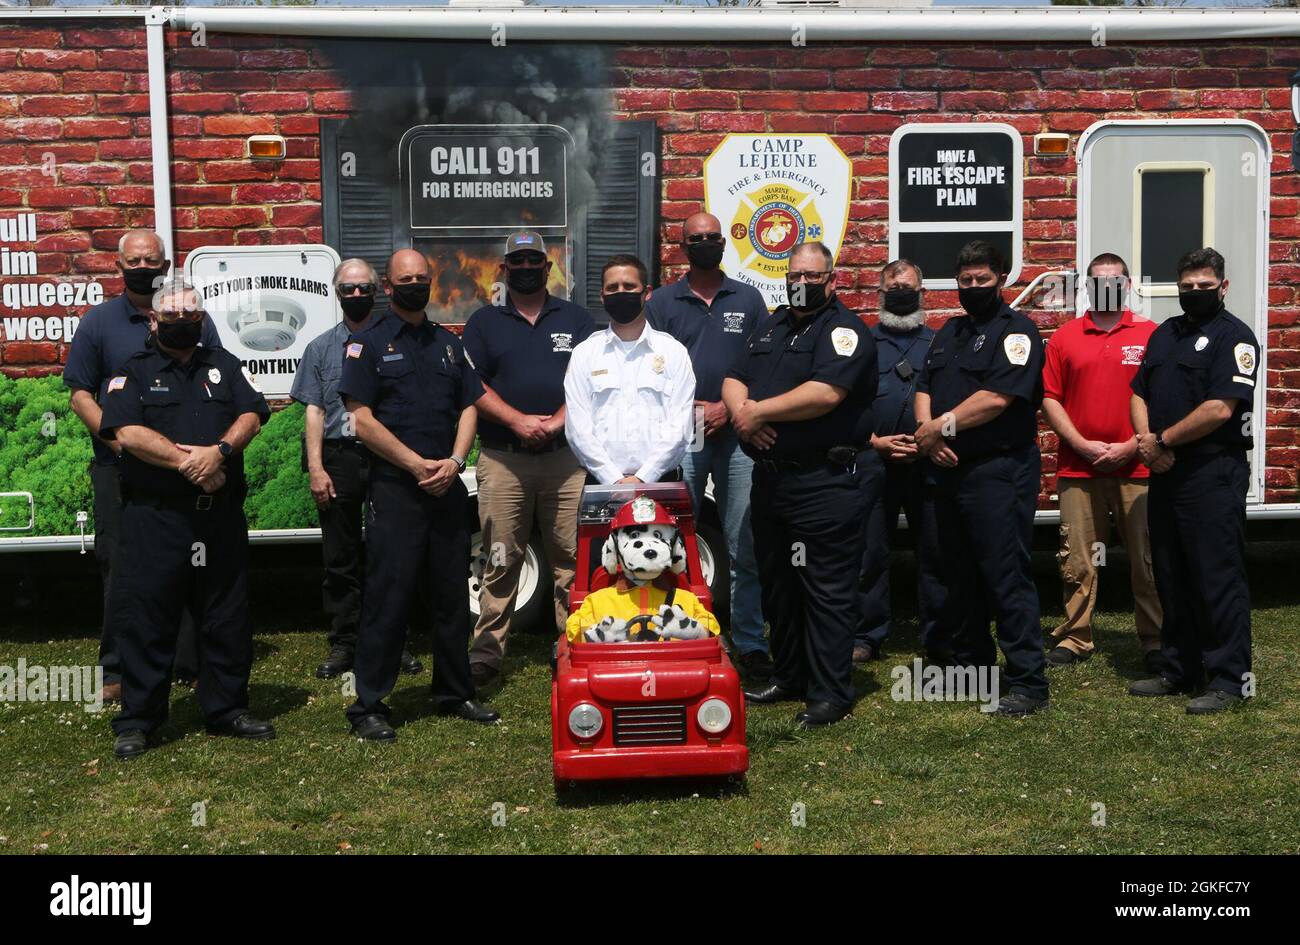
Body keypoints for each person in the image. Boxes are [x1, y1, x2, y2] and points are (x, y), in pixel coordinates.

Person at [97, 280, 272, 759]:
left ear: (202, 320)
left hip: (218, 518)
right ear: (154, 321)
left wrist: (220, 452)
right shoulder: (132, 372)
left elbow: (253, 414)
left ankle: (227, 708)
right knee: (149, 617)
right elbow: (127, 433)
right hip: (157, 519)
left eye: (191, 317)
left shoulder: (224, 365)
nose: (182, 324)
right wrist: (190, 464)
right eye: (172, 317)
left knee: (225, 615)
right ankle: (139, 719)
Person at [339, 248, 497, 741]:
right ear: (388, 287)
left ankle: (454, 691)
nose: (415, 285)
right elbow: (360, 419)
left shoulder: (447, 344)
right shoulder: (367, 344)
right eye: (405, 279)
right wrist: (414, 463)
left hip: (446, 487)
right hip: (396, 490)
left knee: (451, 596)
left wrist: (455, 462)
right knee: (388, 597)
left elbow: (470, 404)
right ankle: (369, 704)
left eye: (422, 278)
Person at [723, 241, 876, 728]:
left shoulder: (843, 331)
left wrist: (758, 412)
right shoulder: (774, 324)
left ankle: (830, 692)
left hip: (821, 485)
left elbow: (826, 393)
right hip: (772, 484)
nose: (802, 284)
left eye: (813, 276)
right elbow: (734, 376)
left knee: (826, 591)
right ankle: (789, 675)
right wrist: (742, 415)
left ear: (832, 280)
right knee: (780, 585)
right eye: (795, 276)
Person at [64, 230, 218, 703]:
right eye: (134, 261)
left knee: (193, 560)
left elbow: (214, 377)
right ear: (119, 266)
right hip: (119, 468)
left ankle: (190, 663)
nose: (143, 268)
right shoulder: (99, 323)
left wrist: (201, 454)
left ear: (166, 265)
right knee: (123, 567)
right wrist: (118, 444)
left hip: (185, 466)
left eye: (152, 260)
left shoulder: (191, 316)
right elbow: (80, 395)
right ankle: (118, 669)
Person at [913, 239, 1049, 716]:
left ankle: (1028, 681)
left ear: (1001, 279)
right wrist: (928, 436)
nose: (972, 286)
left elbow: (997, 398)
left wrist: (939, 427)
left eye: (982, 279)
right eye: (965, 280)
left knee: (1004, 574)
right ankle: (973, 668)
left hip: (998, 471)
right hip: (946, 469)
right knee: (957, 573)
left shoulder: (1018, 332)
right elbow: (924, 386)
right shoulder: (948, 332)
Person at [462, 231, 595, 686]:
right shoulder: (484, 322)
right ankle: (487, 653)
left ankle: (574, 645)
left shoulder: (576, 319)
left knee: (570, 560)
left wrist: (555, 422)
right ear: (504, 269)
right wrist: (518, 421)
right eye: (516, 261)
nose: (525, 268)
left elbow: (590, 382)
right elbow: (473, 385)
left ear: (548, 266)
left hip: (565, 459)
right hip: (504, 459)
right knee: (500, 557)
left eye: (533, 260)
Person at [1128, 247, 1258, 714]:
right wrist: (1147, 443)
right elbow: (1138, 392)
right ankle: (1179, 669)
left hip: (1211, 472)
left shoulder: (1235, 338)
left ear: (1223, 287)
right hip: (1165, 471)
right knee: (1170, 572)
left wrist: (1162, 441)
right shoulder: (1165, 333)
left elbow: (1220, 408)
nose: (1196, 292)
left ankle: (1229, 679)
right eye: (1188, 287)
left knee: (1216, 576)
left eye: (1205, 286)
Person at [645, 212, 773, 678]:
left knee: (743, 543)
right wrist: (689, 410)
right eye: (695, 238)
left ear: (723, 243)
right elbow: (649, 368)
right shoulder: (662, 302)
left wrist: (726, 408)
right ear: (682, 247)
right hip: (684, 434)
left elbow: (764, 362)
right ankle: (675, 632)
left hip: (738, 430)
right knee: (675, 540)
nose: (704, 243)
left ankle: (750, 640)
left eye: (712, 237)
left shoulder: (749, 298)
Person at [290, 259, 423, 680]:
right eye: (348, 289)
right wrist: (316, 467)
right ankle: (345, 640)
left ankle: (393, 639)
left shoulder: (395, 340)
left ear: (377, 290)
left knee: (391, 553)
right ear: (337, 293)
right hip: (339, 458)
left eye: (364, 287)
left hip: (387, 457)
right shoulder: (320, 348)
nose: (357, 295)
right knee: (340, 556)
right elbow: (314, 411)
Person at [1041, 253, 1162, 671]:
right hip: (1078, 467)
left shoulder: (1150, 334)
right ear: (1087, 287)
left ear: (1127, 285)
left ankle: (1155, 639)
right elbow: (1050, 399)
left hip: (1138, 466)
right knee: (1077, 559)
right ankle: (1075, 637)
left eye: (1113, 281)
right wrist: (1082, 445)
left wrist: (1132, 445)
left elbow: (1162, 398)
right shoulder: (1065, 337)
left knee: (1146, 558)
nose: (1106, 287)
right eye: (1097, 281)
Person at [856, 259, 948, 665]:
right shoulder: (861, 343)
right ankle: (866, 635)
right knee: (870, 553)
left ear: (922, 293)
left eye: (907, 288)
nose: (900, 294)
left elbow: (953, 399)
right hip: (875, 463)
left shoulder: (940, 343)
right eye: (893, 289)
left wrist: (932, 440)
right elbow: (845, 403)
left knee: (936, 552)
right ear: (879, 294)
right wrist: (875, 443)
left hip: (928, 463)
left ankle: (939, 636)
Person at [564, 254, 695, 486]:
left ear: (647, 292)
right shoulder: (585, 353)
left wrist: (644, 477)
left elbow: (681, 425)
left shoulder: (673, 351)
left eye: (629, 286)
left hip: (660, 481)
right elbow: (577, 427)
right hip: (602, 482)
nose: (621, 292)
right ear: (602, 296)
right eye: (612, 288)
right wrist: (613, 478)